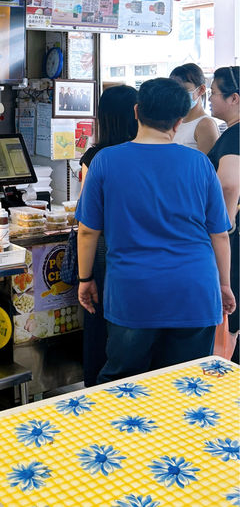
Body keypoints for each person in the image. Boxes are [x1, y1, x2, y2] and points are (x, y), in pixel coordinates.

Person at [76, 77, 235, 382]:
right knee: (187, 385)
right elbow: (218, 234)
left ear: (137, 111)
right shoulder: (200, 164)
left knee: (124, 383)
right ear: (178, 120)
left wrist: (86, 280)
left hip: (134, 292)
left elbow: (87, 232)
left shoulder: (105, 161)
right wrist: (224, 285)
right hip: (195, 290)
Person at [78, 84, 138, 386]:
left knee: (98, 322)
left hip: (102, 252)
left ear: (103, 117)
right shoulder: (145, 153)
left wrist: (84, 277)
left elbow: (87, 219)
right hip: (136, 252)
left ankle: (97, 388)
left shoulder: (96, 157)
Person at [208, 65, 240, 362]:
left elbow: (229, 184)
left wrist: (224, 227)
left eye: (214, 93)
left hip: (234, 238)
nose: (210, 99)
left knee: (231, 317)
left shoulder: (234, 135)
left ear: (234, 98)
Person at [170, 62, 219, 153]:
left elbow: (205, 161)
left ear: (201, 90)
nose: (177, 95)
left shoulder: (206, 125)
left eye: (184, 89)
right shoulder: (174, 122)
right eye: (174, 90)